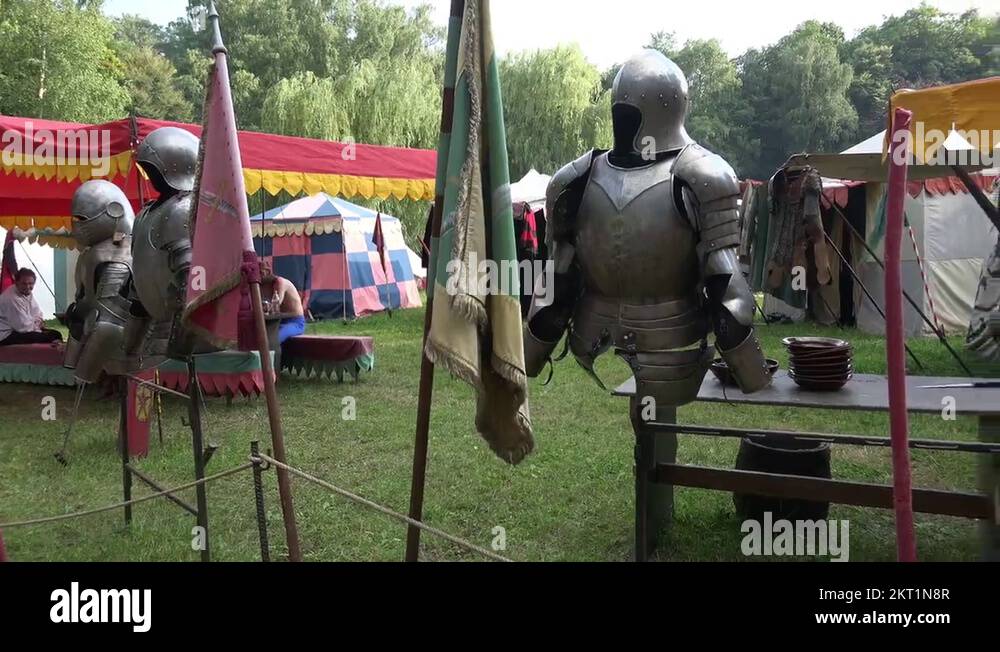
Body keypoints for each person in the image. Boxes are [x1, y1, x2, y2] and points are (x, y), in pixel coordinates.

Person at [0, 268, 63, 346]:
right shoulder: (11, 298)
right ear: (16, 282)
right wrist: (37, 326)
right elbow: (23, 327)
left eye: (31, 283)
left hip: (21, 329)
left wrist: (38, 324)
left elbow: (37, 313)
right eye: (24, 283)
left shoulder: (26, 292)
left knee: (56, 334)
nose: (27, 286)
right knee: (50, 337)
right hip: (5, 335)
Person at [260, 263, 306, 344]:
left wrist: (265, 307)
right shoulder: (264, 286)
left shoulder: (280, 282)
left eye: (261, 273)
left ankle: (272, 356)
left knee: (274, 338)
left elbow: (276, 304)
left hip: (295, 322)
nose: (259, 276)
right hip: (278, 322)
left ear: (268, 272)